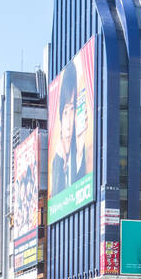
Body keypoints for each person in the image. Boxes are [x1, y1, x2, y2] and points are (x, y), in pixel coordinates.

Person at [49, 62, 88, 197]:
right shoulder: (56, 160)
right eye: (65, 111)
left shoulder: (81, 154)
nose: (68, 121)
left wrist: (79, 153)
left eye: (73, 109)